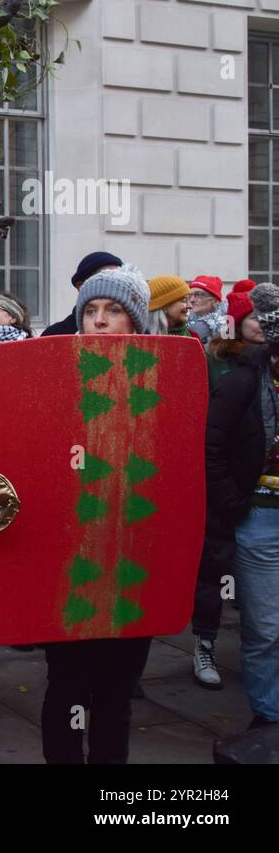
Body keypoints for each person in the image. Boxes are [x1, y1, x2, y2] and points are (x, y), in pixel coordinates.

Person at [40, 264, 155, 764]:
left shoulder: (161, 384)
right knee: (66, 685)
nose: (100, 322)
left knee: (114, 695)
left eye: (113, 311)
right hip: (71, 562)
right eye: (91, 311)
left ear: (136, 322)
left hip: (132, 562)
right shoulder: (55, 380)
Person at [204, 282, 279, 729]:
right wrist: (236, 505)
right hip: (261, 517)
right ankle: (269, 719)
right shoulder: (243, 382)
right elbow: (210, 449)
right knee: (266, 628)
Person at [40, 252, 123, 337]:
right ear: (81, 287)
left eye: (114, 310)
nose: (99, 320)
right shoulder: (55, 336)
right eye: (90, 311)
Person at [186, 275, 226, 343]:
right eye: (190, 295)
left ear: (215, 301)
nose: (192, 300)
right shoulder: (184, 321)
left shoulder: (229, 323)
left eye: (199, 295)